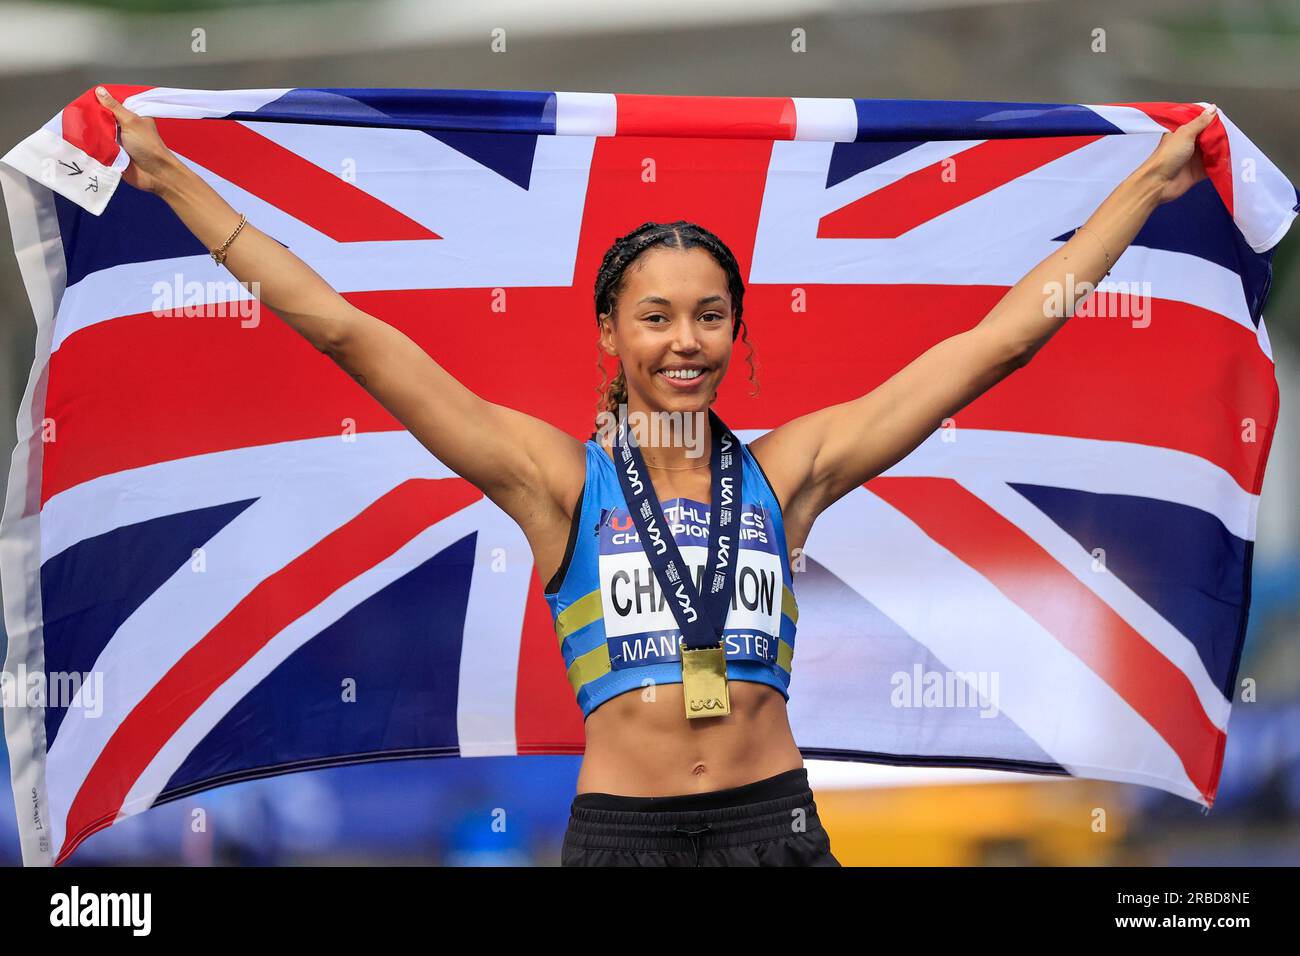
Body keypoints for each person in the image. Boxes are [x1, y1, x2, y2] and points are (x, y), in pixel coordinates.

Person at [91, 86, 1218, 866]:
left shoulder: (792, 473)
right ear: (609, 337)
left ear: (736, 333)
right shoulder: (553, 483)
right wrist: (181, 186)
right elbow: (348, 334)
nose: (685, 340)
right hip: (621, 839)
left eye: (710, 316)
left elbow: (997, 343)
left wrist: (1143, 187)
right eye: (656, 317)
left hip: (772, 829)